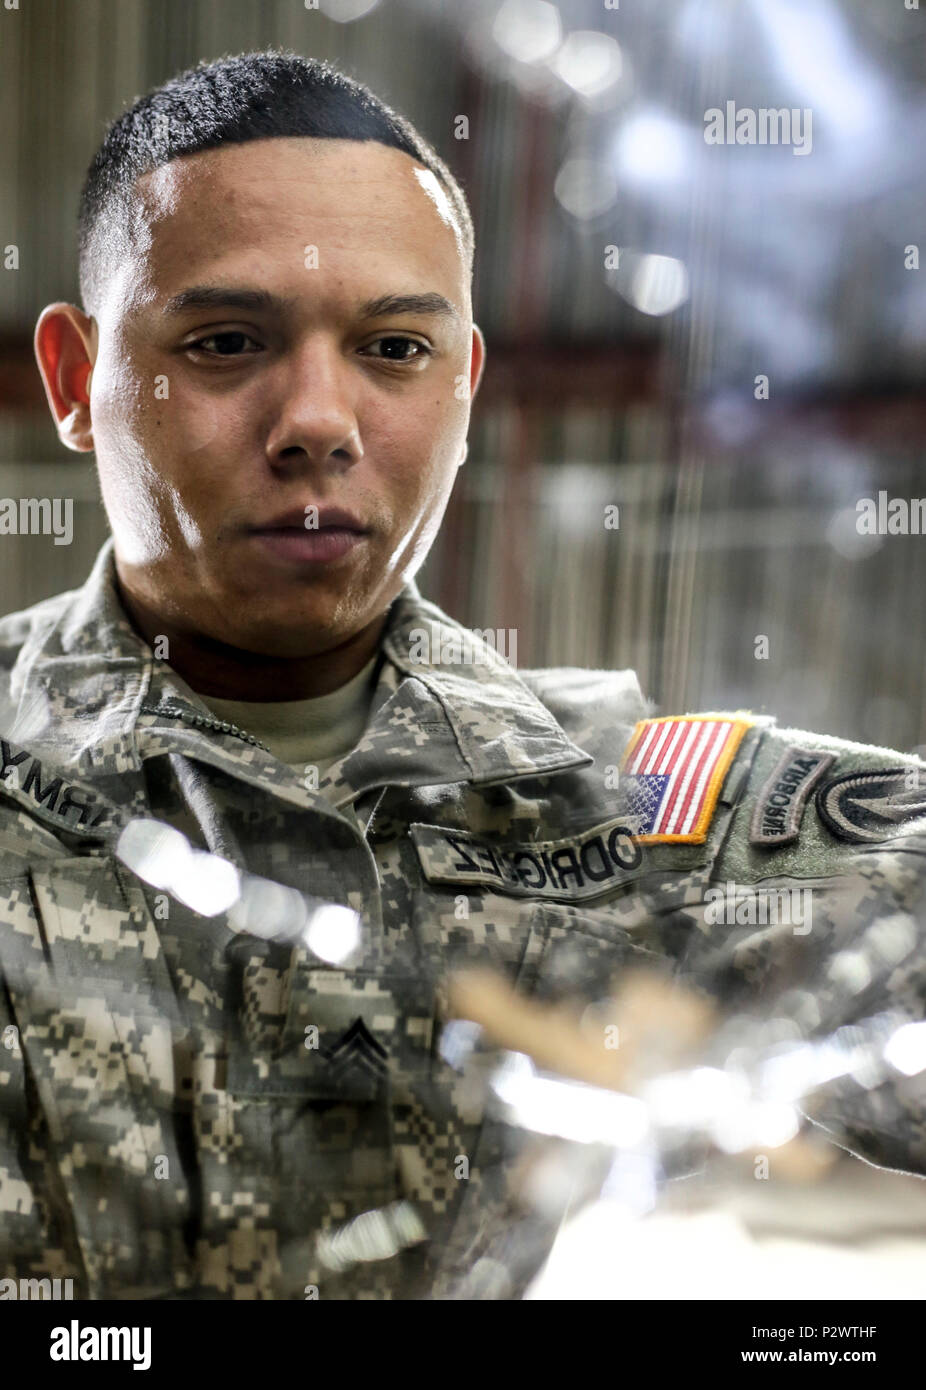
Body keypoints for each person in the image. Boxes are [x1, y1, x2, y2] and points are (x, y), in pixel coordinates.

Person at [3, 50, 924, 1301]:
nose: (318, 420)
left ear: (466, 385)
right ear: (75, 381)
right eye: (226, 341)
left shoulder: (622, 816)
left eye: (391, 348)